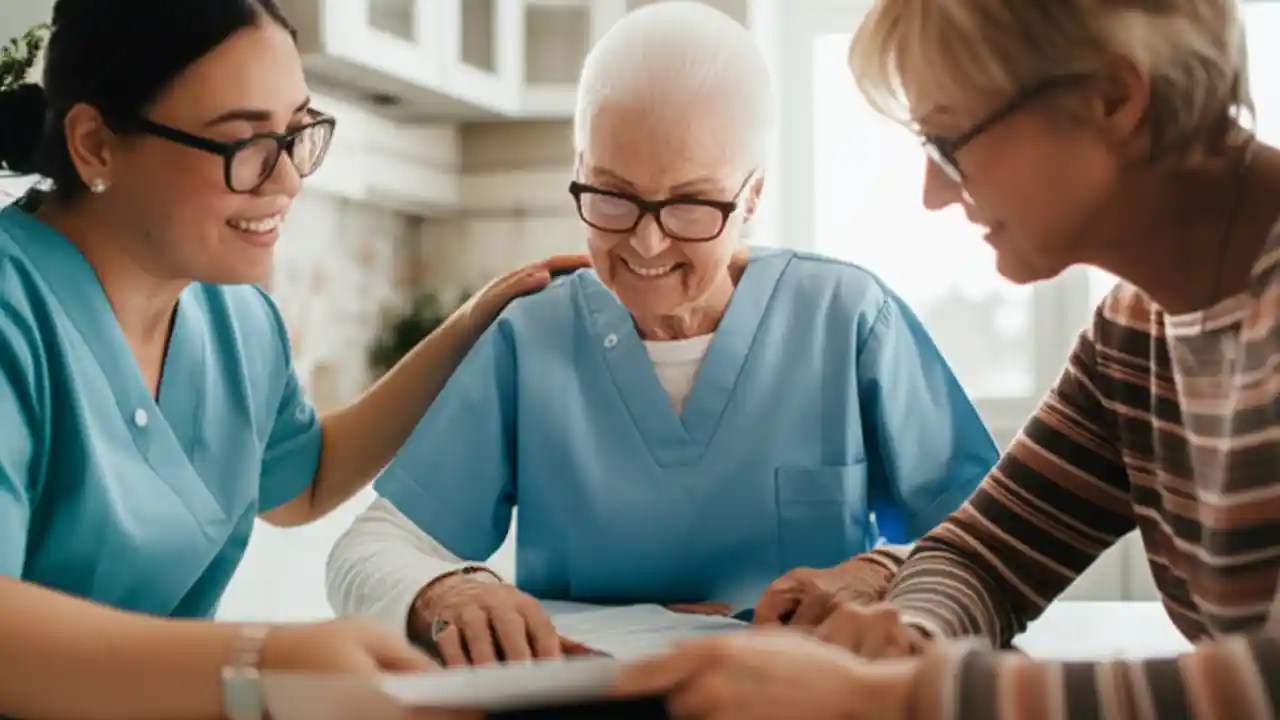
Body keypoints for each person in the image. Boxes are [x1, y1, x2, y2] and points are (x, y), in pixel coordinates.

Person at [612, 0, 1280, 718]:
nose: (933, 194)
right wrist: (910, 633)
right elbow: (982, 555)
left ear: (1113, 98)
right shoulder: (1133, 335)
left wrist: (897, 697)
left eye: (949, 141)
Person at [326, 1, 997, 669]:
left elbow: (994, 536)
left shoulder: (846, 317)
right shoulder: (532, 339)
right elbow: (366, 551)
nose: (646, 241)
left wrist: (881, 569)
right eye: (612, 196)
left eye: (689, 204)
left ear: (752, 199)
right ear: (581, 168)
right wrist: (447, 589)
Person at [0, 1, 583, 718]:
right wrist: (261, 661)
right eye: (243, 143)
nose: (287, 181)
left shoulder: (236, 319)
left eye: (297, 133)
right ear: (96, 145)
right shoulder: (13, 310)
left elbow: (303, 482)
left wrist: (470, 323)